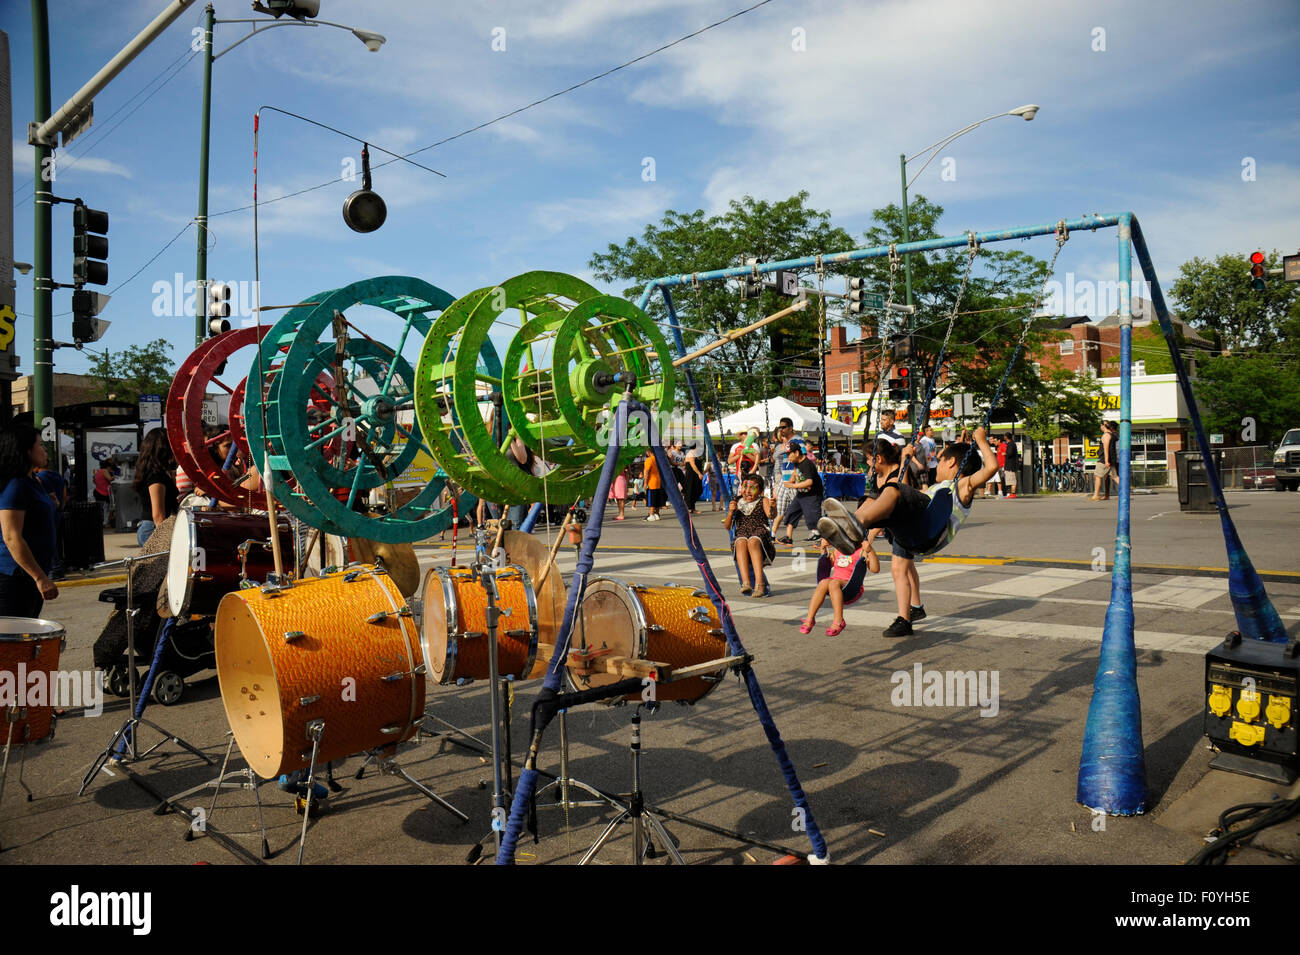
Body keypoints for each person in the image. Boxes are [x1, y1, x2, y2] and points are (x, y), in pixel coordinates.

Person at [818, 427, 1000, 570]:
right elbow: (904, 491)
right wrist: (906, 460)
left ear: (951, 462)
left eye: (941, 460)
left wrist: (982, 441)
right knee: (878, 496)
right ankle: (848, 531)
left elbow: (992, 467)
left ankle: (856, 523)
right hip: (911, 534)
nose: (937, 465)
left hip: (929, 531)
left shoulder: (962, 486)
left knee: (893, 490)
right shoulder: (938, 487)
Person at [0, 425, 60, 617]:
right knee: (13, 642)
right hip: (14, 577)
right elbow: (11, 537)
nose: (45, 450)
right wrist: (40, 577)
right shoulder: (15, 485)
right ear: (25, 450)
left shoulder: (33, 480)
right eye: (40, 445)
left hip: (29, 577)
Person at [799, 535, 881, 635]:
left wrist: (870, 551)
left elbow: (875, 569)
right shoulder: (838, 550)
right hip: (835, 583)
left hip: (852, 587)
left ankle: (838, 620)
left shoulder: (861, 551)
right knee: (823, 582)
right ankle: (810, 619)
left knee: (833, 583)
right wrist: (824, 548)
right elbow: (827, 564)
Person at [724, 473, 774, 597]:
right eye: (745, 487)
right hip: (742, 532)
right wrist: (730, 512)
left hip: (760, 533)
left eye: (752, 488)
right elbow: (727, 526)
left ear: (760, 491)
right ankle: (746, 582)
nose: (747, 491)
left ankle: (760, 584)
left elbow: (770, 515)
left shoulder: (763, 500)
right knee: (740, 542)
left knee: (752, 541)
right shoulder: (737, 501)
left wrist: (773, 507)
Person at [133, 429, 179, 547]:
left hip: (150, 527)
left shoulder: (151, 472)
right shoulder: (156, 477)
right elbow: (158, 515)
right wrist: (164, 540)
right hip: (154, 528)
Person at [776, 439, 823, 543]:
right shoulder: (797, 463)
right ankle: (788, 537)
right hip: (802, 493)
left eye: (789, 455)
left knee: (812, 515)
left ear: (797, 453)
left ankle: (818, 534)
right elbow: (795, 474)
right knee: (791, 512)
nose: (788, 457)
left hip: (812, 494)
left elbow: (809, 482)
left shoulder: (806, 464)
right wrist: (789, 481)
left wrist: (793, 486)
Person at [769, 418, 797, 541]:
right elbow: (774, 457)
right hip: (780, 476)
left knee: (795, 508)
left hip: (791, 478)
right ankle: (773, 534)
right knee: (780, 507)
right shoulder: (780, 447)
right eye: (780, 431)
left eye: (783, 429)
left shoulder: (794, 443)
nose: (782, 433)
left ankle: (788, 535)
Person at [1091, 421, 1118, 501]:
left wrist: (1106, 461)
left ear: (1104, 426)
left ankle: (1096, 495)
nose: (1100, 427)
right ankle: (1126, 492)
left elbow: (1106, 449)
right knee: (1115, 477)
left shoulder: (1106, 435)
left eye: (1101, 425)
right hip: (1111, 459)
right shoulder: (1112, 435)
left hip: (1104, 460)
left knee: (1097, 476)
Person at [682, 444, 704, 514]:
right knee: (690, 491)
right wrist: (699, 473)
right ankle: (689, 508)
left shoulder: (695, 453)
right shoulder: (691, 453)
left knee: (697, 490)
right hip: (692, 474)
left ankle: (691, 507)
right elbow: (692, 464)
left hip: (694, 474)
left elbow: (685, 463)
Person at [643, 449, 664, 521]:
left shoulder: (649, 460)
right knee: (657, 499)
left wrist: (645, 483)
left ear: (649, 452)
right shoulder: (659, 459)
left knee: (651, 499)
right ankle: (657, 514)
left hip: (651, 482)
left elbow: (647, 472)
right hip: (659, 481)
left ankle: (651, 515)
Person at [93, 459, 114, 527]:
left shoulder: (98, 471)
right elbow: (109, 479)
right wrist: (116, 477)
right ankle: (105, 522)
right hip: (103, 493)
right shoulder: (104, 471)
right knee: (106, 508)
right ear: (108, 467)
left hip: (98, 491)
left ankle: (103, 522)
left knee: (102, 508)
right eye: (110, 467)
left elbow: (94, 481)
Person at [1003, 434, 1020, 499]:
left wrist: (1005, 453)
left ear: (1007, 437)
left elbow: (1010, 453)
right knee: (1010, 480)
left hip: (1010, 465)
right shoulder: (1012, 443)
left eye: (1004, 436)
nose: (1004, 437)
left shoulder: (1010, 444)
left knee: (1012, 480)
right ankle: (1011, 493)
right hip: (1011, 465)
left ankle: (1013, 493)